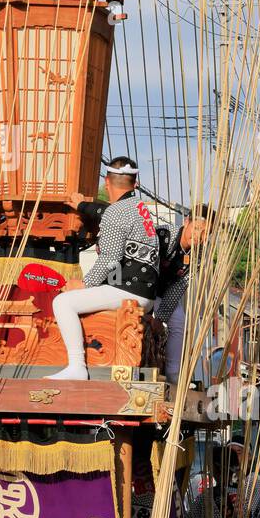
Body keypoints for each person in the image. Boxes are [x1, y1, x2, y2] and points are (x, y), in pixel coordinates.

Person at [47, 157, 160, 381]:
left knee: (63, 302)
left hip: (127, 291)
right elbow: (104, 212)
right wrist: (82, 205)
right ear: (135, 184)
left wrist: (84, 283)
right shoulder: (138, 209)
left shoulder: (116, 212)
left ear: (106, 182)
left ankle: (77, 366)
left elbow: (110, 258)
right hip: (146, 295)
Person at [153, 207, 211, 384]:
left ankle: (173, 373)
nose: (198, 236)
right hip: (145, 289)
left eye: (204, 233)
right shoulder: (163, 235)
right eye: (196, 229)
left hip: (166, 293)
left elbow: (180, 286)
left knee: (179, 321)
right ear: (186, 222)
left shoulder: (199, 255)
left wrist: (161, 317)